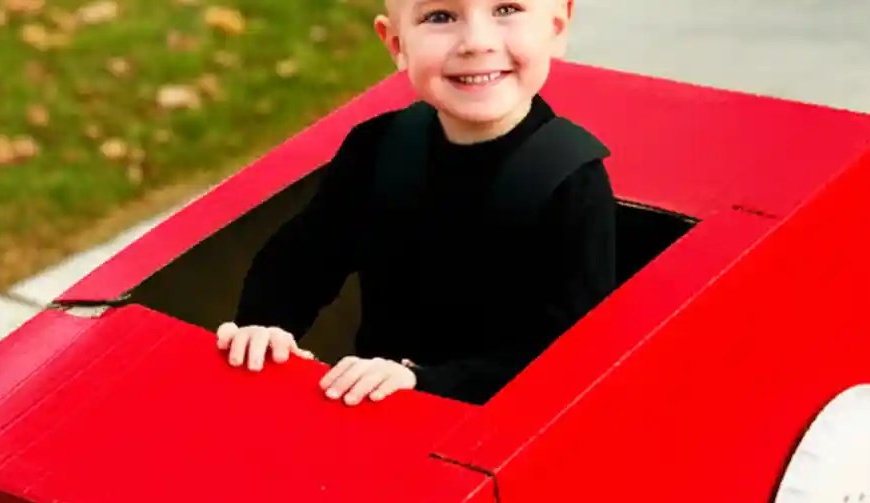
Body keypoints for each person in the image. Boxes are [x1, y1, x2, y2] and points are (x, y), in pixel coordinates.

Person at [217, 0, 617, 406]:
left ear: (557, 25)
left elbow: (566, 354)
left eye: (506, 9)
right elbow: (305, 256)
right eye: (440, 17)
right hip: (367, 403)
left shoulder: (570, 180)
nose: (476, 43)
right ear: (396, 44)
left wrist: (422, 381)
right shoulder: (379, 145)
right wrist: (266, 326)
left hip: (488, 431)